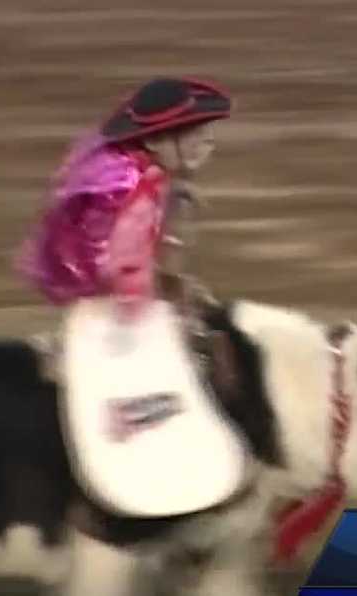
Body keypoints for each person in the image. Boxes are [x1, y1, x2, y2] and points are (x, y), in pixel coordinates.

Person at [17, 77, 233, 377]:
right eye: (194, 133)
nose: (207, 142)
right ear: (155, 141)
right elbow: (125, 269)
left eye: (207, 133)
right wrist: (158, 320)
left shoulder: (127, 176)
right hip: (116, 316)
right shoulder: (132, 191)